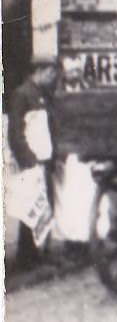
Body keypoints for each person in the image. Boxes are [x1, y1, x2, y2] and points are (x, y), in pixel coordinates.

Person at [6, 56, 61, 270]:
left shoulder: (43, 94)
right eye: (50, 72)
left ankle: (39, 252)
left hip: (43, 158)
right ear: (39, 70)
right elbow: (16, 133)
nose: (52, 77)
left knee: (44, 204)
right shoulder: (22, 94)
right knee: (31, 206)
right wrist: (27, 157)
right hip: (31, 160)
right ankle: (26, 255)